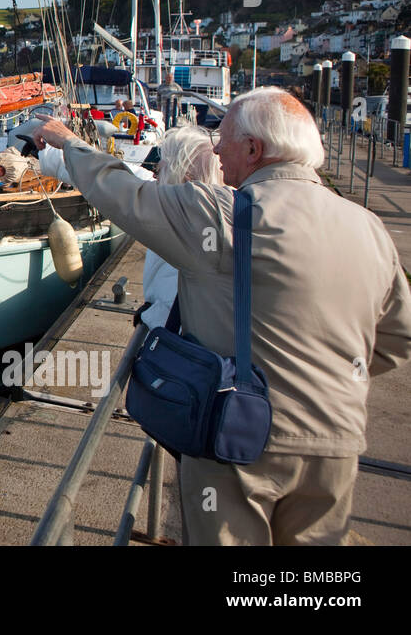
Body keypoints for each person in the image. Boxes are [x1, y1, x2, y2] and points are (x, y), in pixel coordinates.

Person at [34, 87, 411, 545]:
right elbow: (397, 339)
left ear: (254, 149)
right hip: (337, 441)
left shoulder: (222, 213)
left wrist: (70, 143)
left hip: (240, 436)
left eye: (223, 139)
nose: (215, 150)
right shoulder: (370, 228)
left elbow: (124, 195)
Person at [39, 124, 222, 331]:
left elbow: (116, 187)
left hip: (174, 337)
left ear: (185, 181)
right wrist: (50, 155)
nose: (154, 175)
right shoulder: (219, 209)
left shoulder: (178, 219)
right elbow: (123, 179)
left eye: (160, 170)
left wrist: (66, 143)